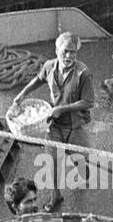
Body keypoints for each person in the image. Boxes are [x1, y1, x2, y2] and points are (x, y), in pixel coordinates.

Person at [12, 34, 95, 212]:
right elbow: (38, 80)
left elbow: (88, 102)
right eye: (65, 52)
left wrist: (62, 109)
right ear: (57, 51)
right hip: (53, 125)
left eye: (73, 53)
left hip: (74, 125)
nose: (69, 57)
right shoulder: (49, 66)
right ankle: (55, 195)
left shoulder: (83, 73)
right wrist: (22, 94)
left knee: (79, 159)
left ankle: (83, 169)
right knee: (51, 162)